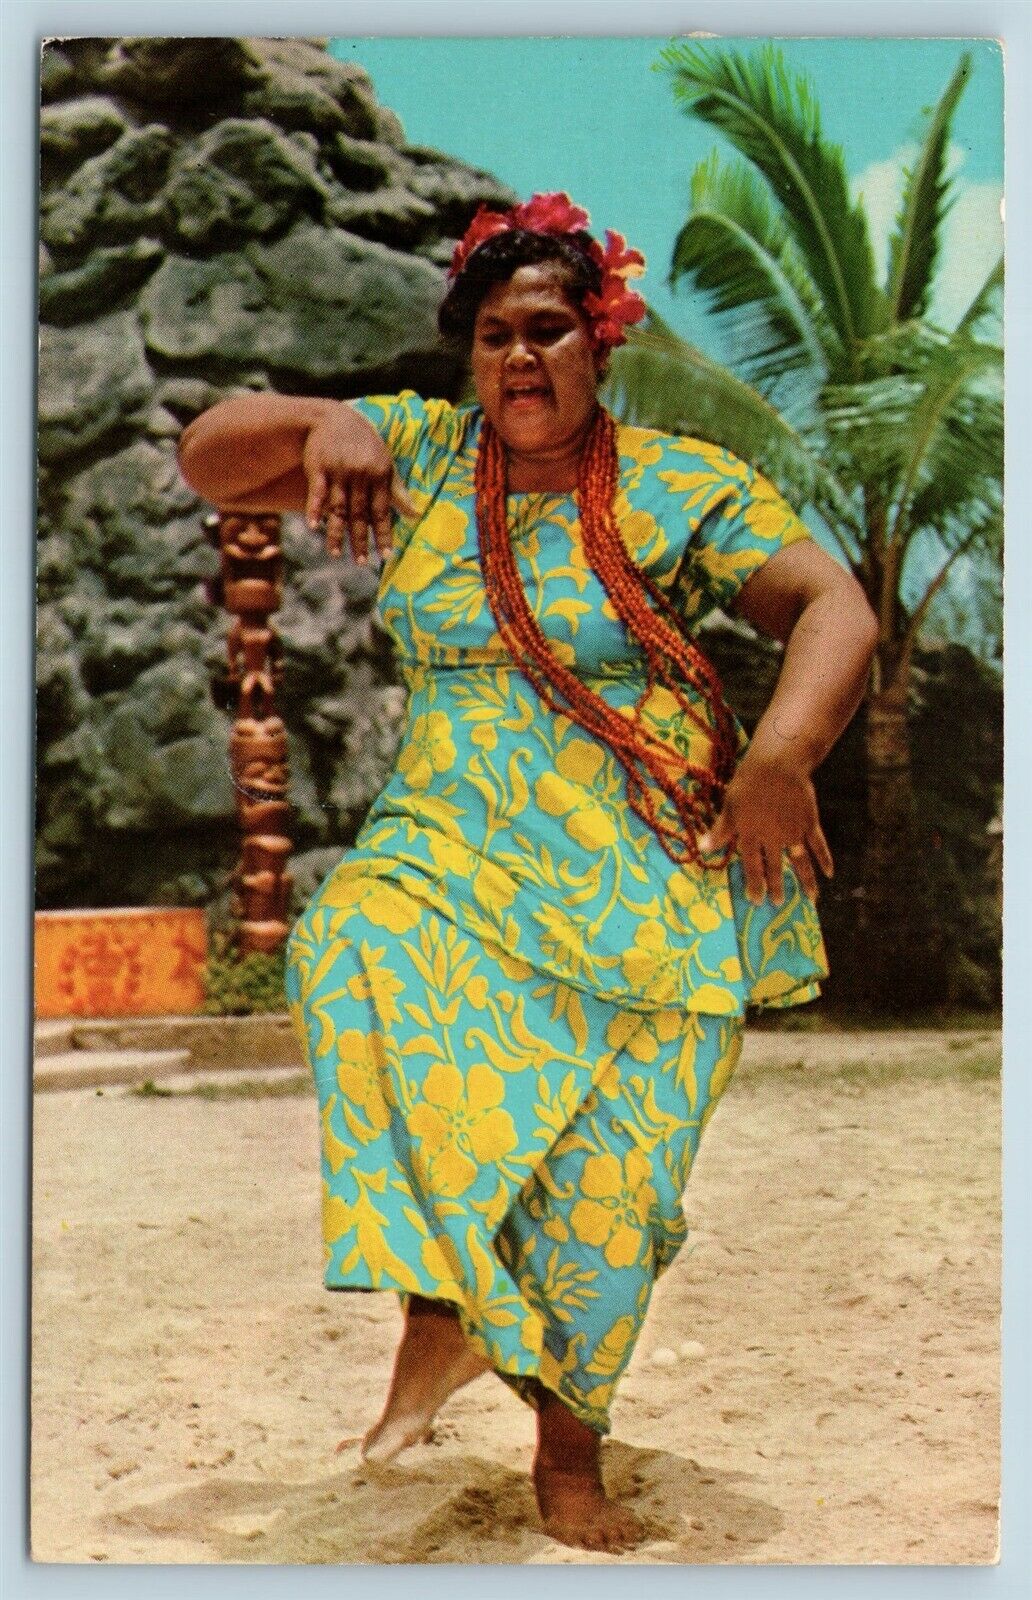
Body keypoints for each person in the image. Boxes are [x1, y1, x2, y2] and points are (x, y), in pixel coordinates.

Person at [178, 191, 878, 1553]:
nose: (519, 357)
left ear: (599, 340)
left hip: (653, 863)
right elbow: (211, 458)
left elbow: (831, 605)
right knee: (353, 951)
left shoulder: (680, 483)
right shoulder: (423, 452)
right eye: (494, 334)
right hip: (453, 841)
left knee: (616, 1179)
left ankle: (569, 1456)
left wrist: (781, 758)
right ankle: (444, 1311)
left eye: (548, 328)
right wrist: (327, 420)